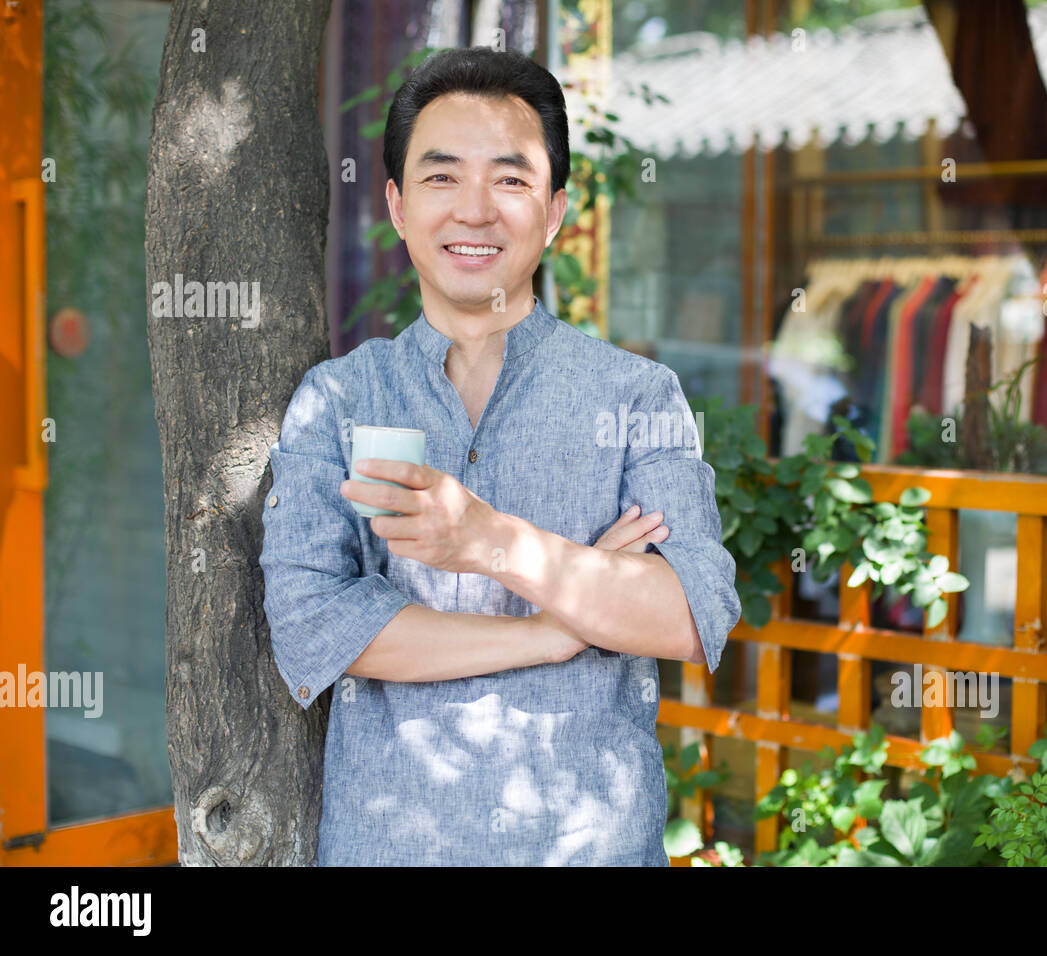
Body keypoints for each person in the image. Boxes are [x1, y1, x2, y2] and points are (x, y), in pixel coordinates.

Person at [259, 46, 740, 865]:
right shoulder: (341, 399)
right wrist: (557, 630)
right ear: (397, 206)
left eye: (511, 179)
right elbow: (311, 630)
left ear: (554, 212)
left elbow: (694, 615)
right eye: (442, 176)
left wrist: (490, 544)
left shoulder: (638, 397)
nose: (475, 211)